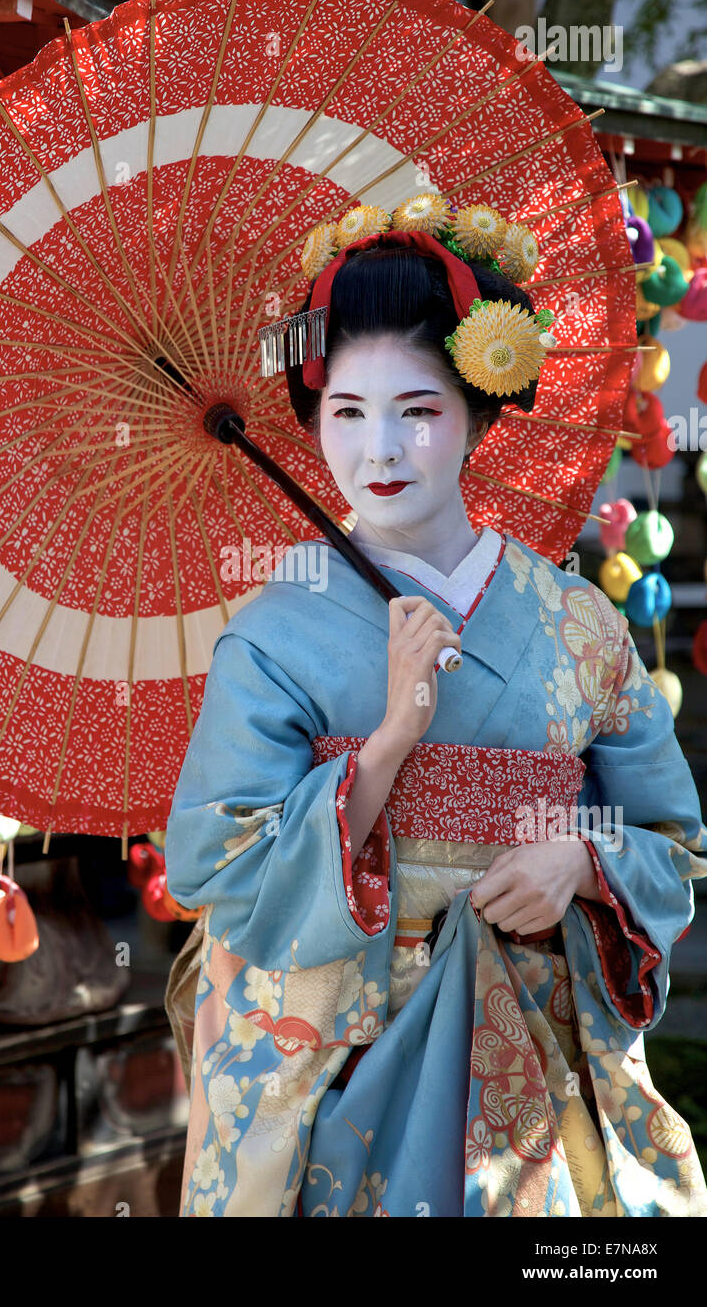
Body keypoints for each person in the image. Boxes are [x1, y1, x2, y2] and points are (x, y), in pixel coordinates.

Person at [163, 203, 707, 1218]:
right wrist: (385, 745)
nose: (379, 448)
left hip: (536, 1064)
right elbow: (213, 859)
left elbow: (670, 837)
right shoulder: (274, 632)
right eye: (346, 413)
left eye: (415, 409)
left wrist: (579, 862)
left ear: (478, 413)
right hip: (340, 1066)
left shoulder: (577, 624)